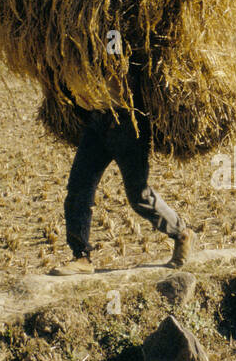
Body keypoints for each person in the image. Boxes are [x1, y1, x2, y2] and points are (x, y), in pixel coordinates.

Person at [49, 105, 194, 275]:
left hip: (128, 126)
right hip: (96, 123)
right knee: (78, 188)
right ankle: (81, 257)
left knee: (138, 194)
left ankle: (181, 233)